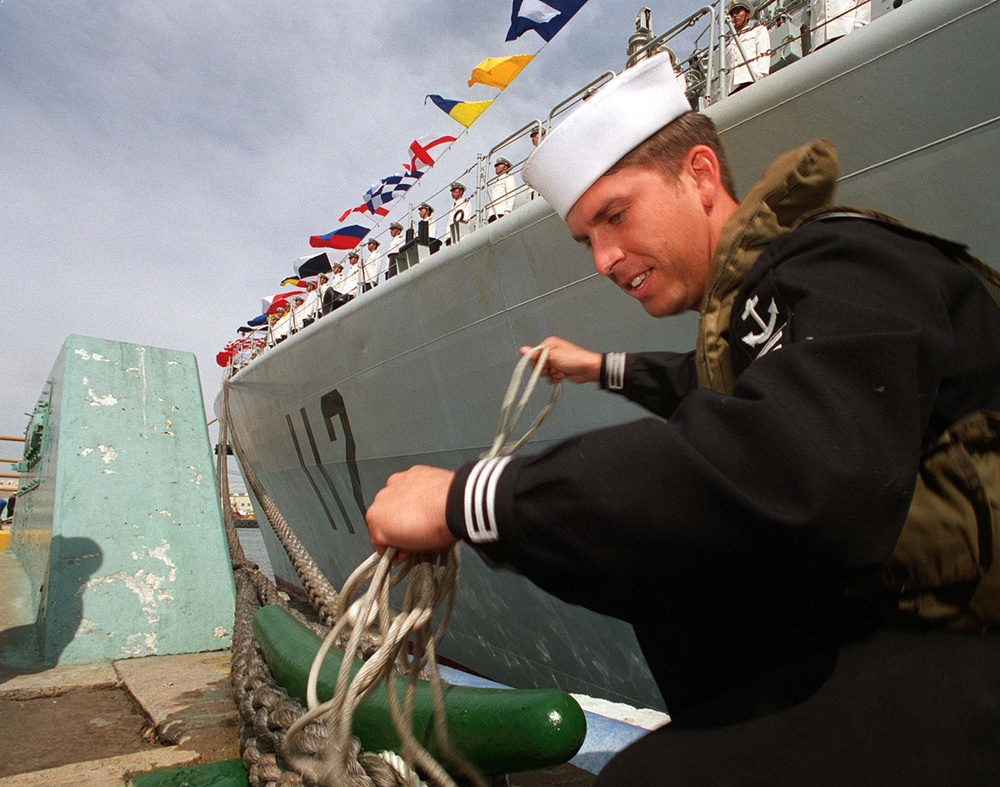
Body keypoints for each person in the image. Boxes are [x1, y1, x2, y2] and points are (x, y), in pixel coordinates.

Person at [365, 51, 1000, 784]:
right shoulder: (762, 307)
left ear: (700, 175)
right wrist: (596, 366)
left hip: (969, 636)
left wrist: (471, 498)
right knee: (651, 558)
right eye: (587, 240)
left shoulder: (848, 260)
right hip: (904, 616)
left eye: (615, 215)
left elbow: (798, 460)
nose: (603, 258)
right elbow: (714, 380)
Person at [726, 0, 771, 95]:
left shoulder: (758, 30)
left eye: (738, 12)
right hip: (732, 89)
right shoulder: (729, 43)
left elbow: (764, 54)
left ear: (747, 15)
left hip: (750, 80)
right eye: (732, 14)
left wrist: (760, 78)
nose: (734, 16)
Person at [488, 157, 517, 221]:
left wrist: (508, 211)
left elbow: (511, 194)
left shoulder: (508, 178)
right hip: (492, 214)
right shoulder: (495, 183)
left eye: (499, 165)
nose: (496, 167)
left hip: (501, 212)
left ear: (505, 167)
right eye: (496, 166)